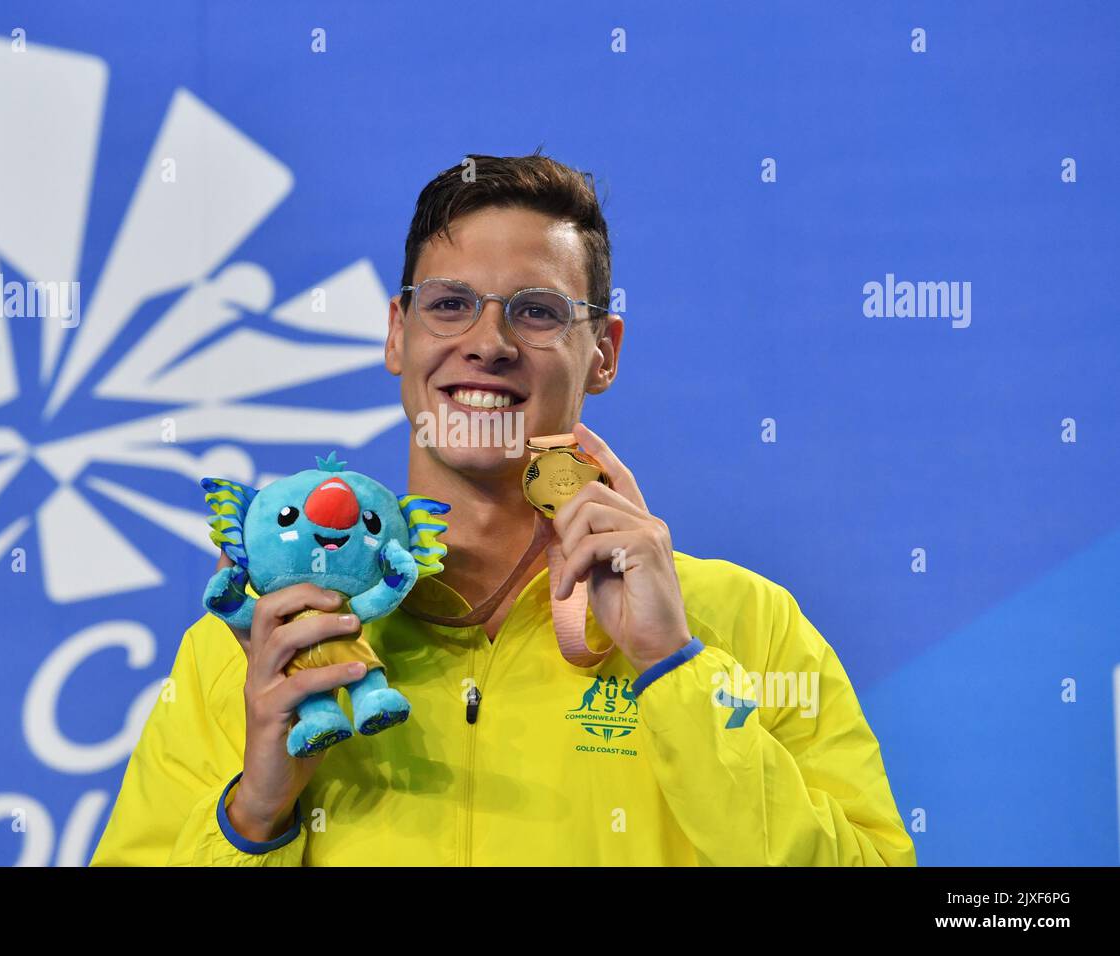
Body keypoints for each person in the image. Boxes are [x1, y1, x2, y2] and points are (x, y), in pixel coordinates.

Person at [90, 152, 916, 866]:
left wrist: (672, 668)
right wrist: (251, 819)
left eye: (537, 311)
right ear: (396, 335)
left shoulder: (744, 625)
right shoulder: (251, 649)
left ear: (604, 354)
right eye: (450, 303)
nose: (488, 342)